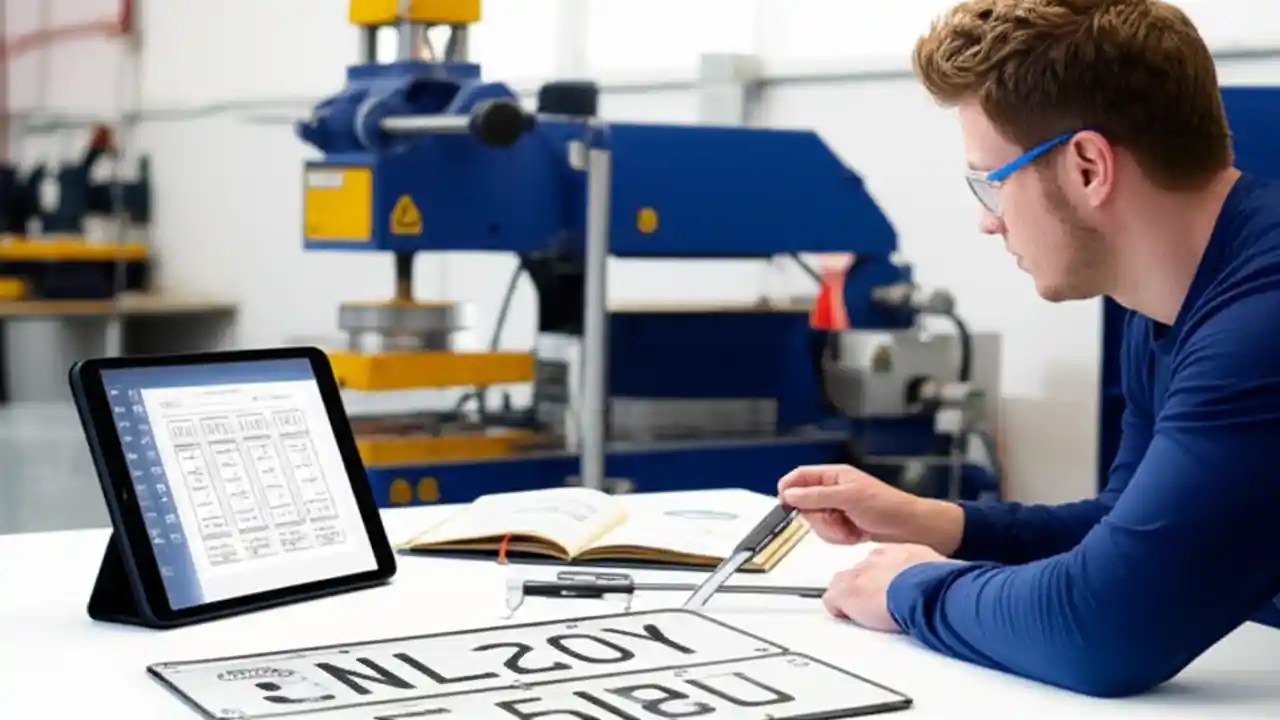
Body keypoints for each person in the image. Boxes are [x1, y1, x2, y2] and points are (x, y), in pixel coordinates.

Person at [777, 0, 1280, 698]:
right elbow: (1127, 526)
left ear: (1086, 166)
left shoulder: (1260, 322)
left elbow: (1107, 626)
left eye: (993, 180)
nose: (989, 220)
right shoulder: (1171, 303)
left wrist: (909, 590)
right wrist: (937, 524)